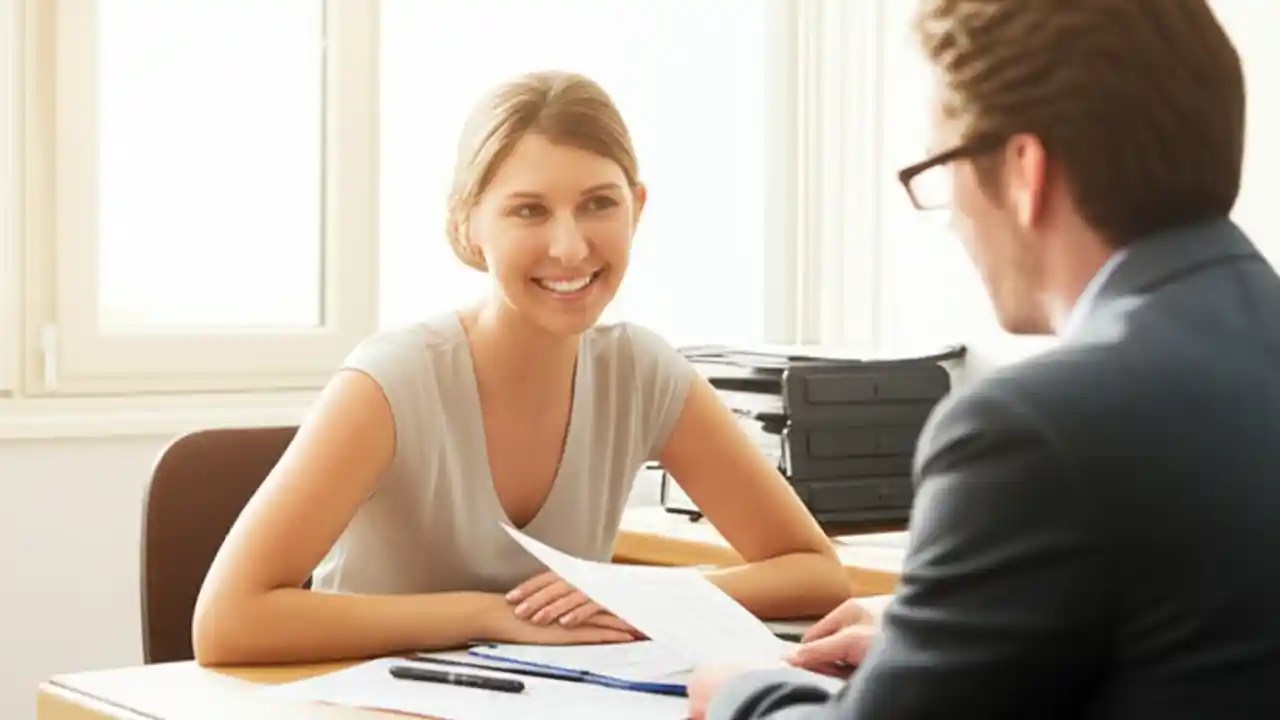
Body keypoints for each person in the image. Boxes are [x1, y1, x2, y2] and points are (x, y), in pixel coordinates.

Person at [693, 0, 1280, 718]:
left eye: (943, 168)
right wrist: (942, 636)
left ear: (1026, 171)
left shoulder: (1035, 427)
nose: (954, 223)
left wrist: (741, 692)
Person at [192, 70, 850, 665]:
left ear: (637, 207)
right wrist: (487, 616)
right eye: (529, 210)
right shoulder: (390, 382)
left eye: (599, 203)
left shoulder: (642, 372)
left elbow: (814, 571)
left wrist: (644, 598)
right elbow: (227, 621)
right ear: (469, 224)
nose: (570, 247)